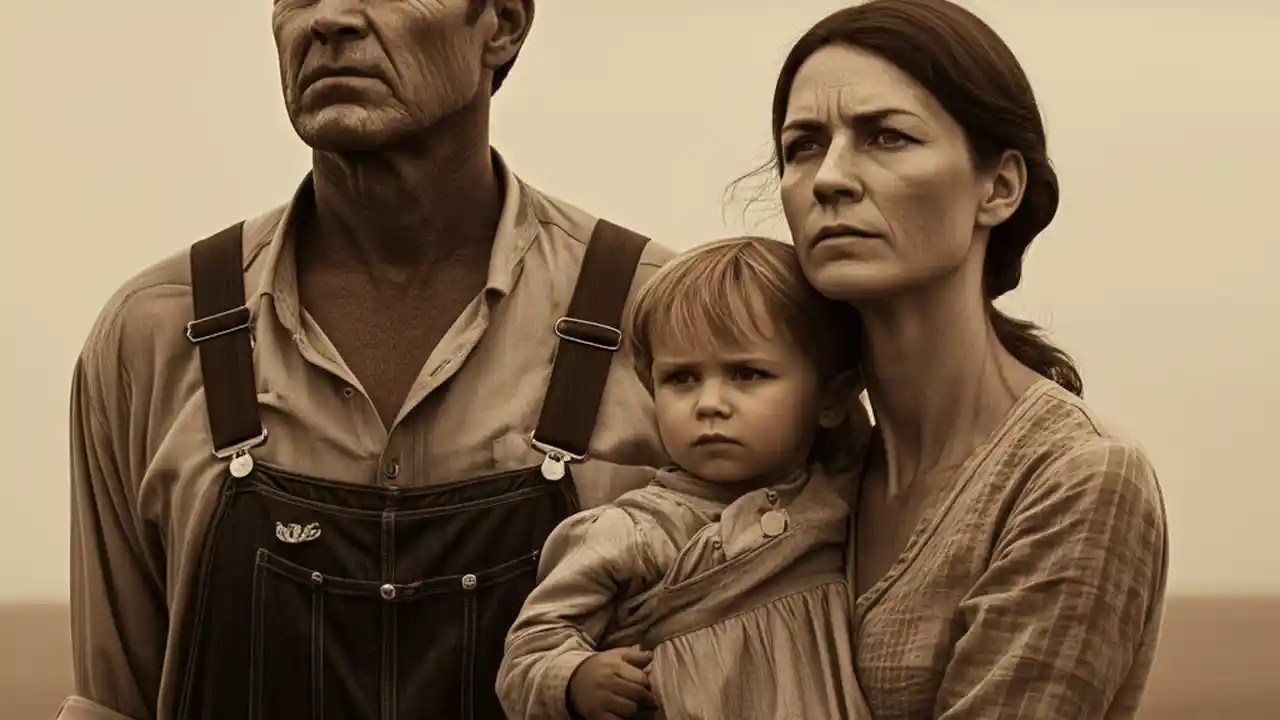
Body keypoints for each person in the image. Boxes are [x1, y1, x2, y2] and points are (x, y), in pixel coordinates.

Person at [60, 1, 674, 718]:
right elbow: (111, 705)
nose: (329, 20)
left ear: (502, 22)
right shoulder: (157, 333)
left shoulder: (661, 323)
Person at [731, 0, 1171, 717]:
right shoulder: (799, 464)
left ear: (998, 187)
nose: (830, 178)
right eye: (804, 145)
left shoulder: (1072, 478)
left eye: (886, 137)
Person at [496, 237, 875, 720]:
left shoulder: (842, 496)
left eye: (748, 374)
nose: (709, 403)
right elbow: (530, 648)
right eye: (682, 378)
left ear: (833, 397)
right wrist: (576, 678)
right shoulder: (631, 532)